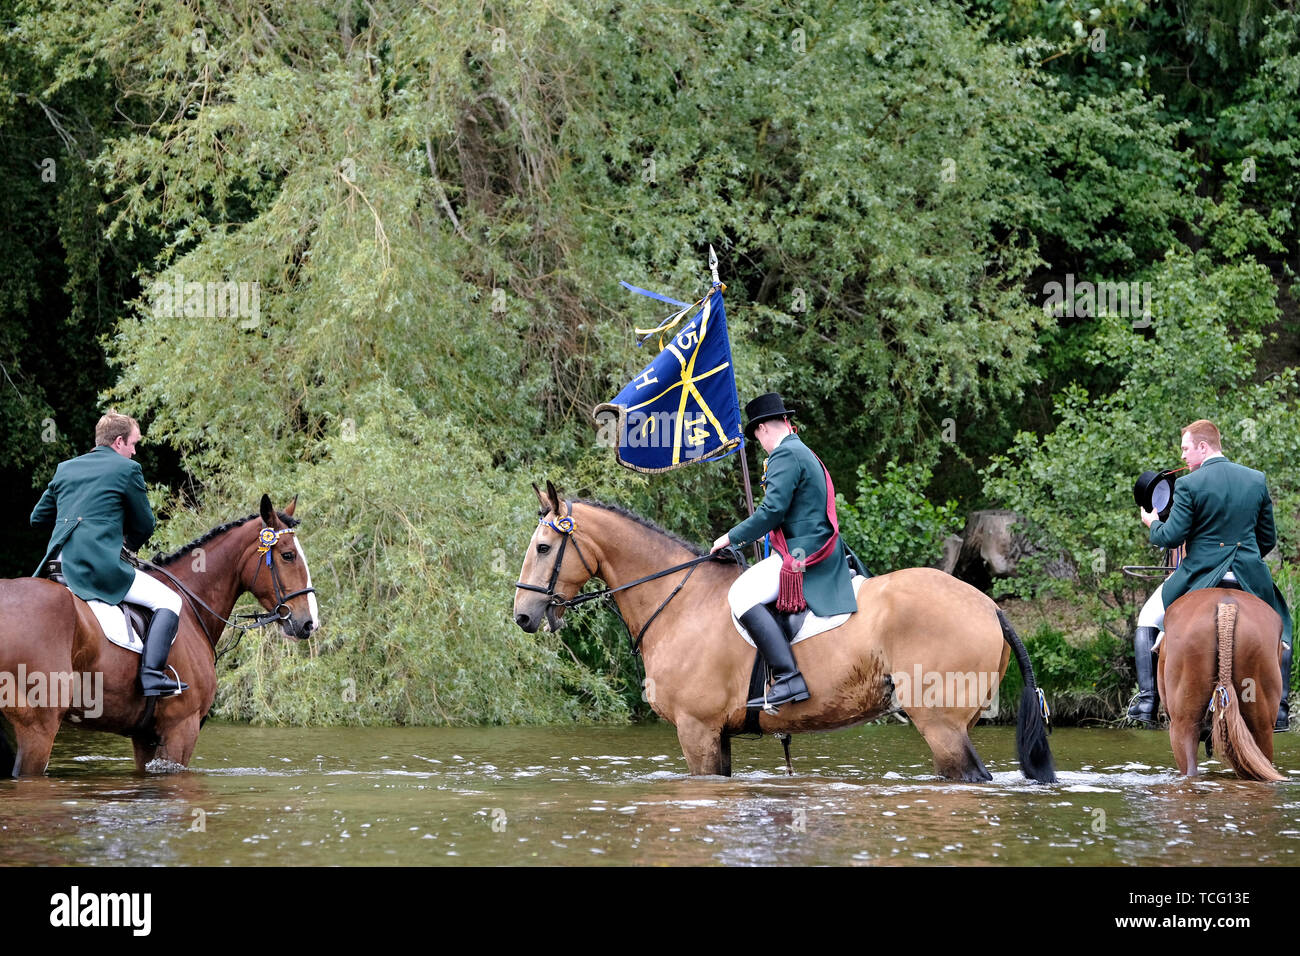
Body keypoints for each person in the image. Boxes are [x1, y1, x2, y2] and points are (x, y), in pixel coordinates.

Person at [1136, 419, 1291, 729]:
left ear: (1203, 447)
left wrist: (1151, 522)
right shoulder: (1256, 480)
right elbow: (1267, 539)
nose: (1182, 457)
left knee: (1147, 619)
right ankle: (1282, 708)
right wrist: (1242, 556)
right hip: (1249, 575)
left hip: (1200, 575)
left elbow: (1171, 536)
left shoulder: (1189, 484)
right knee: (1282, 630)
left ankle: (1146, 701)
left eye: (1185, 449)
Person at [710, 393, 857, 709]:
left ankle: (788, 677)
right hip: (810, 545)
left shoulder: (785, 455)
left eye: (757, 437)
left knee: (741, 595)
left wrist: (730, 537)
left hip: (804, 554)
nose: (760, 444)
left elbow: (771, 512)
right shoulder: (800, 450)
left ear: (762, 429)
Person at [31, 411, 188, 697]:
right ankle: (152, 676)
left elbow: (38, 518)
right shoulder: (127, 470)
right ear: (118, 442)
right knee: (169, 599)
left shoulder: (65, 468)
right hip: (98, 569)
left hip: (57, 568)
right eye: (133, 444)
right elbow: (145, 524)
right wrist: (126, 546)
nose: (135, 451)